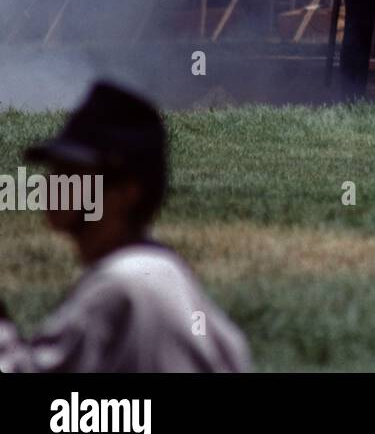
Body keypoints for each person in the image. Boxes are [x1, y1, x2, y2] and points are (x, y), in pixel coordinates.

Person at [0, 82, 251, 372]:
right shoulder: (156, 272)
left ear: (126, 193)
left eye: (71, 172)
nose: (51, 183)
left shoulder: (124, 286)